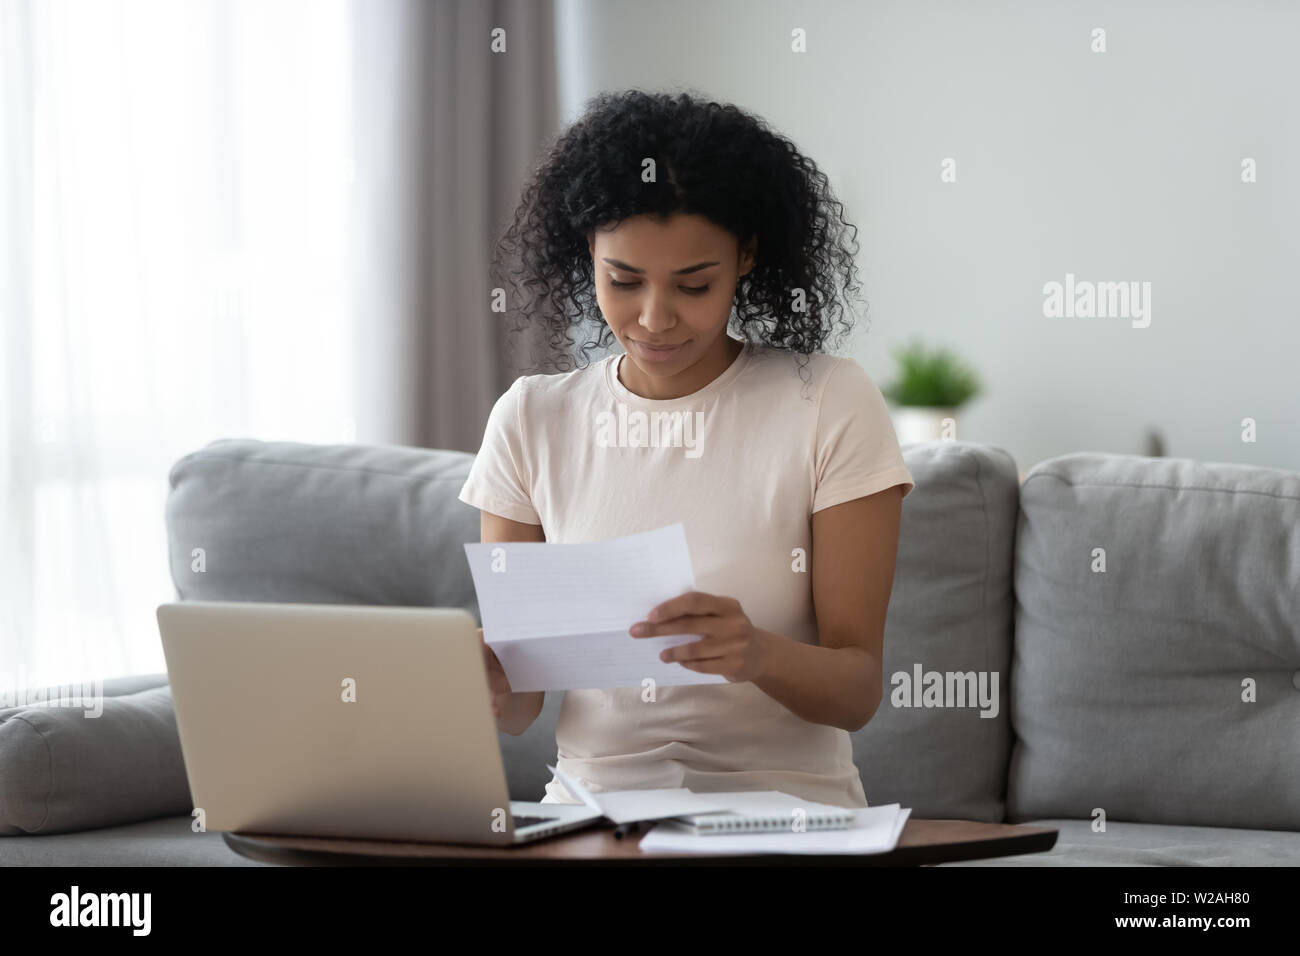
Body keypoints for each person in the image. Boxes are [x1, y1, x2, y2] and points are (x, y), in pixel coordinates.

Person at [458, 89, 913, 809]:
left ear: (747, 258)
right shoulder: (530, 419)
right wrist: (487, 679)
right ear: (588, 255)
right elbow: (520, 709)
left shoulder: (827, 402)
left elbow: (856, 690)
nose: (654, 318)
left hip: (786, 814)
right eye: (623, 280)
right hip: (592, 814)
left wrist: (758, 654)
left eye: (694, 285)